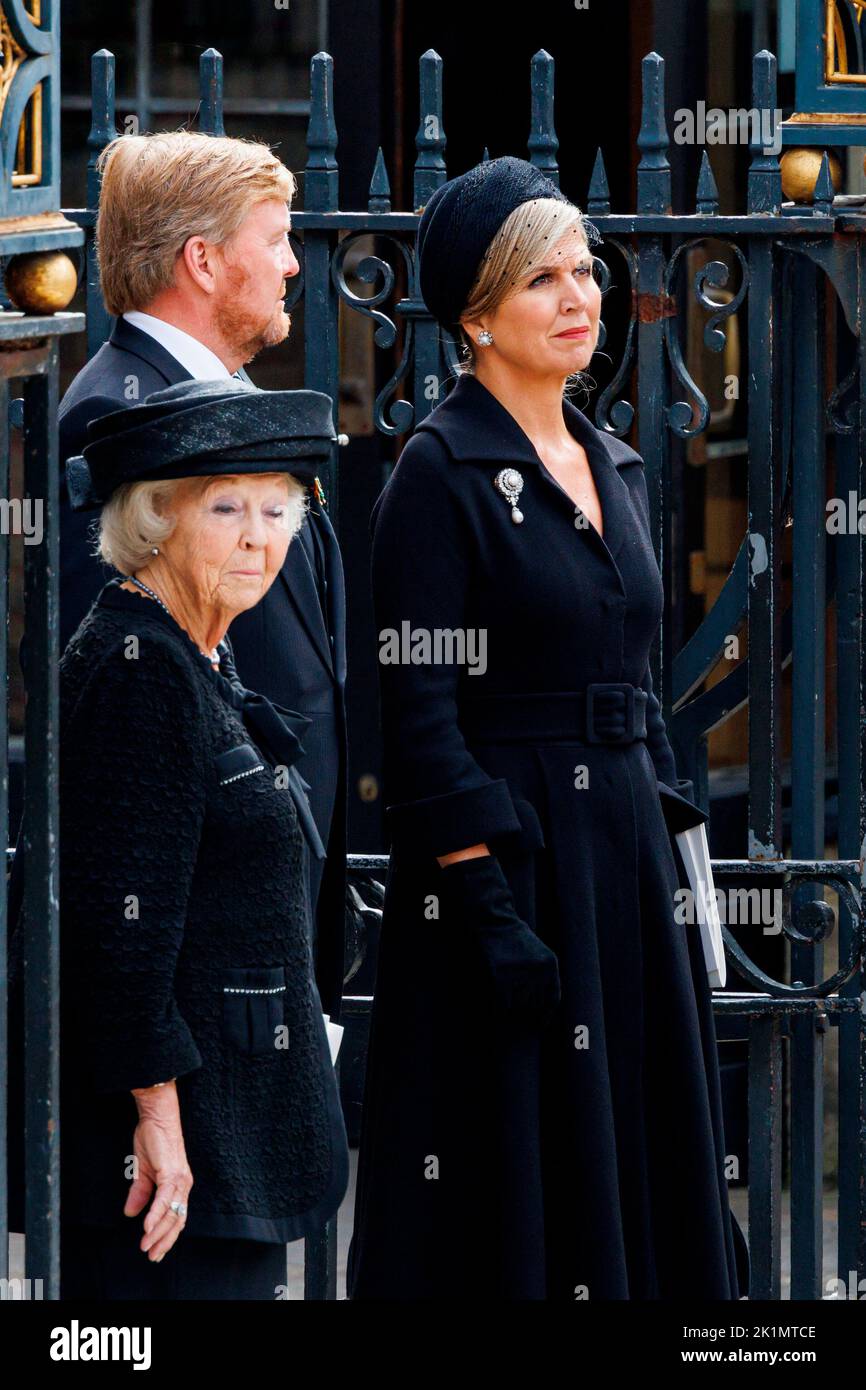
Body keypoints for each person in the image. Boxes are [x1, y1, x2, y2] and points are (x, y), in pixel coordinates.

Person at [347, 156, 749, 1300]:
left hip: (620, 854)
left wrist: (676, 878)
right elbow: (416, 718)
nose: (582, 298)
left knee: (639, 1153)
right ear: (474, 316)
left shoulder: (612, 458)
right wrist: (488, 908)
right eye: (543, 281)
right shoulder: (436, 472)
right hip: (514, 873)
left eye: (586, 273)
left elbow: (632, 681)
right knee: (518, 1173)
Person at [10, 378, 349, 1300]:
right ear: (155, 521)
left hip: (231, 1128)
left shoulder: (195, 649)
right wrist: (156, 1119)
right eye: (228, 507)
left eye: (280, 509)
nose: (259, 535)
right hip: (169, 1161)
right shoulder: (138, 665)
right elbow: (115, 923)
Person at [57, 131, 346, 1022]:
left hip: (268, 918)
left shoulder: (230, 405)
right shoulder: (116, 416)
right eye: (276, 239)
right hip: (202, 958)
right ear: (204, 260)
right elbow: (123, 696)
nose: (294, 265)